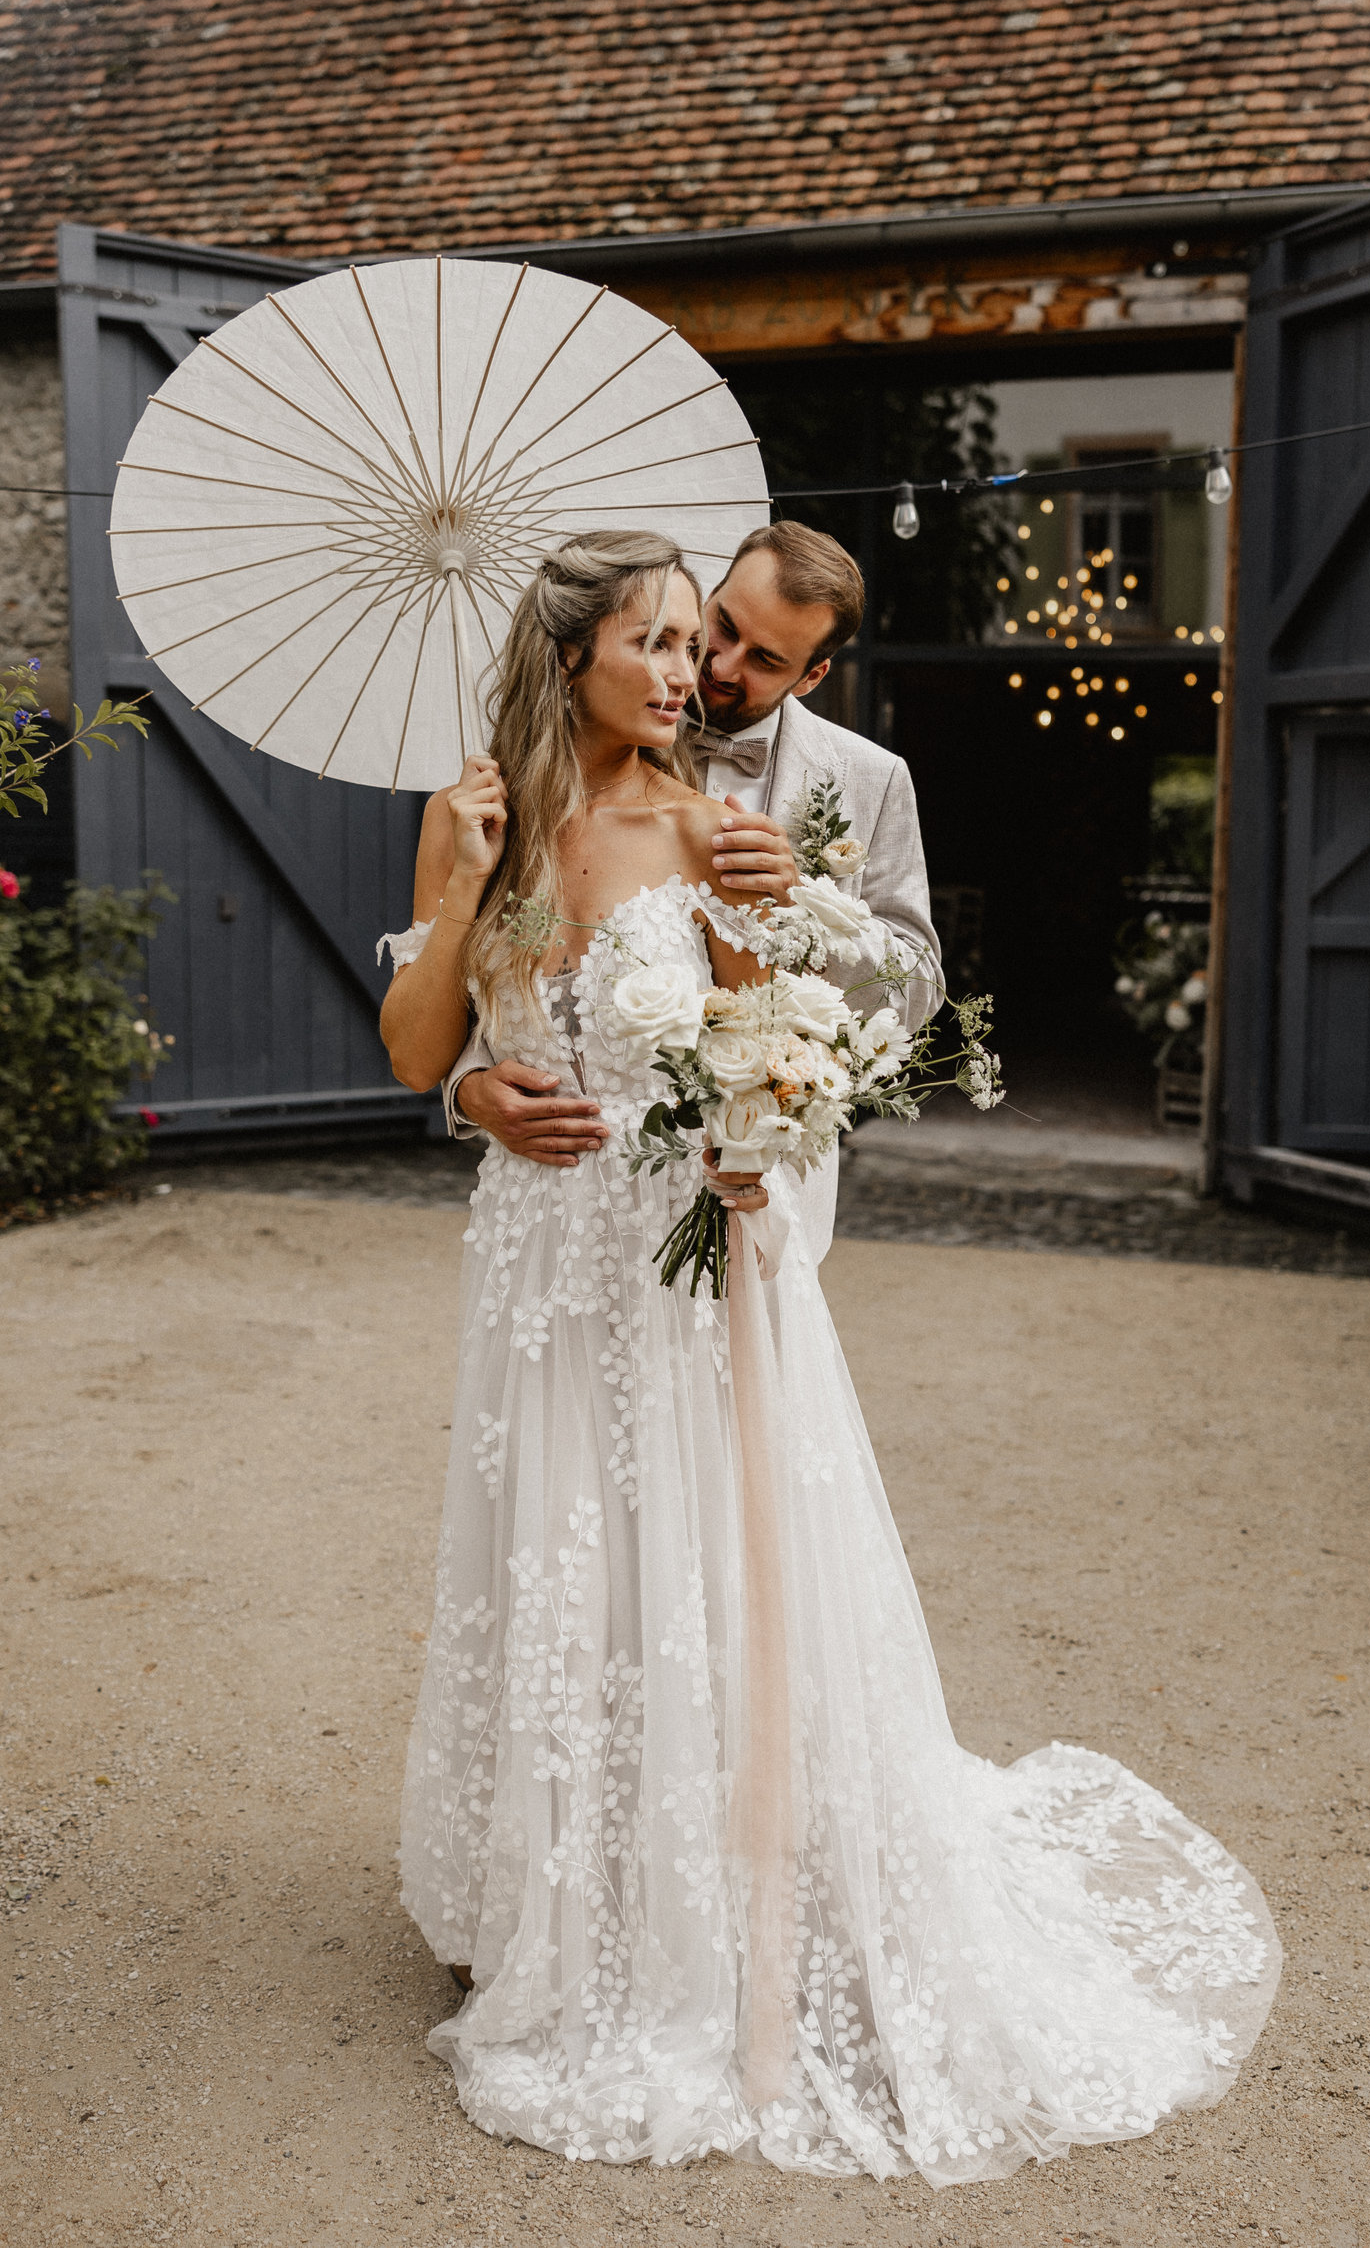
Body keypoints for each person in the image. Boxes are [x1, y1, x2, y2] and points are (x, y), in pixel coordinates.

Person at [379, 528, 1280, 2183]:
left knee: (709, 1565)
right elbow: (429, 1038)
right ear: (570, 652)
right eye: (665, 639)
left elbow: (809, 1029)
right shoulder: (476, 815)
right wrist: (457, 966)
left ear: (809, 669)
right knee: (557, 1556)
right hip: (537, 1272)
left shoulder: (740, 819)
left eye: (711, 649)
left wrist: (763, 1131)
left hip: (689, 1259)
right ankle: (545, 1887)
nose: (692, 671)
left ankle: (727, 1883)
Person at [412, 520, 942, 1264]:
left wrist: (806, 911)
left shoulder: (869, 779)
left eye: (764, 660)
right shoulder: (542, 768)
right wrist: (468, 1087)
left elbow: (915, 984)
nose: (712, 666)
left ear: (812, 675)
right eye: (716, 628)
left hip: (745, 1179)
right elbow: (492, 987)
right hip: (552, 1202)